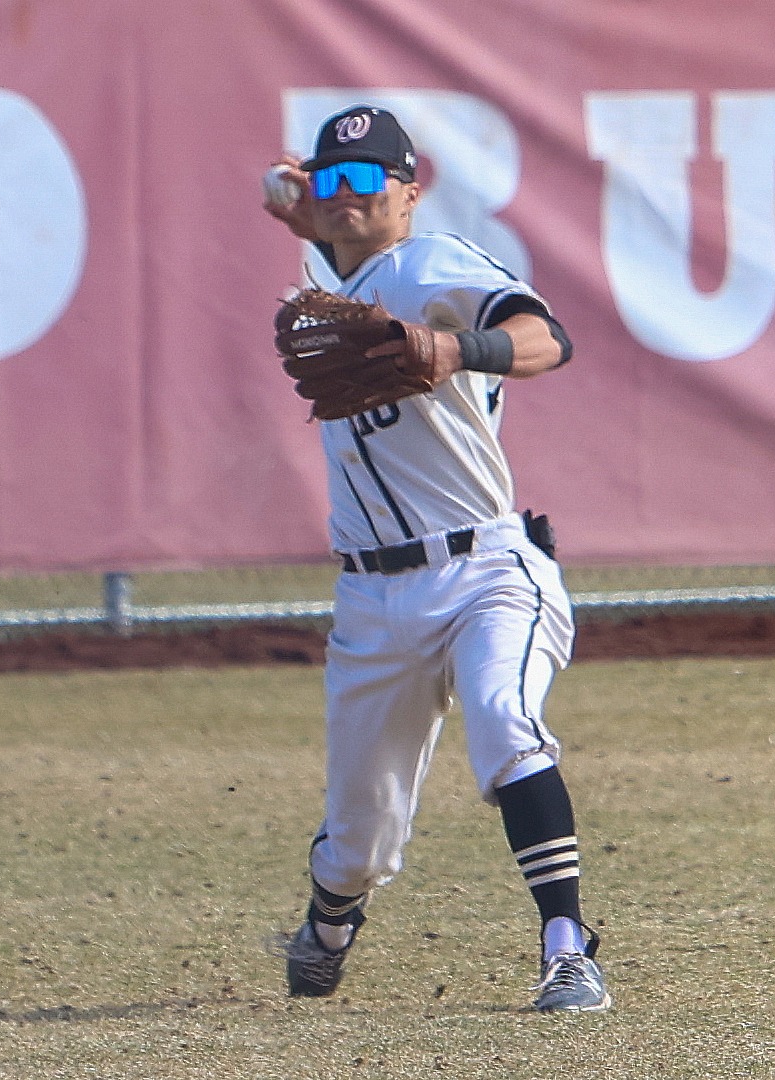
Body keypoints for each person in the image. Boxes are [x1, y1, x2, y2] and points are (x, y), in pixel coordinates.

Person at [261, 104, 609, 1014]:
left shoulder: (433, 263)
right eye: (329, 179)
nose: (344, 195)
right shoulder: (329, 280)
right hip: (373, 597)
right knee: (361, 843)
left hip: (488, 567)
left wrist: (455, 348)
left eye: (365, 179)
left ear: (409, 190)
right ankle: (330, 922)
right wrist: (305, 213)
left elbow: (548, 340)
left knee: (504, 723)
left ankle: (567, 948)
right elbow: (322, 224)